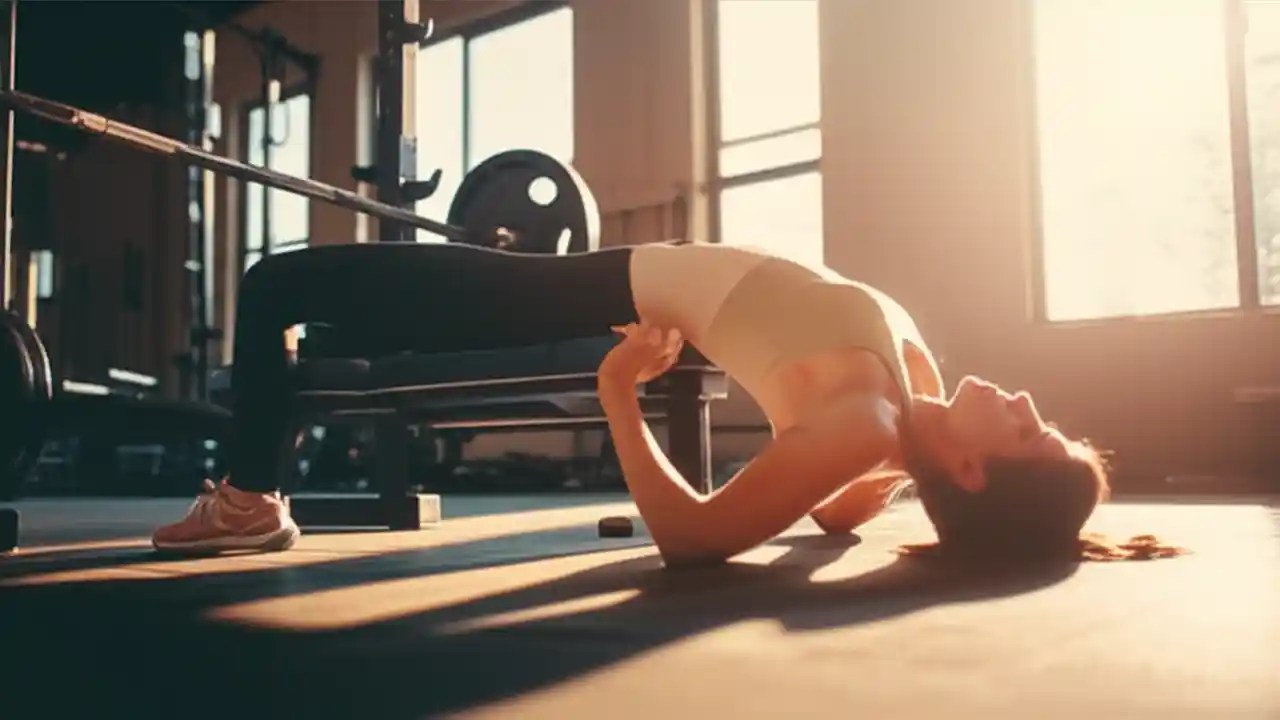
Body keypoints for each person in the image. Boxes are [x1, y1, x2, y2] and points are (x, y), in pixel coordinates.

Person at [151, 241, 1110, 563]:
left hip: (570, 294)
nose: (1026, 398)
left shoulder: (870, 423)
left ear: (974, 469)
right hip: (589, 278)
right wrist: (900, 474)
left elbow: (692, 539)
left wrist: (618, 391)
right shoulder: (903, 408)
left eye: (1028, 429)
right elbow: (830, 509)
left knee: (274, 285)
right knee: (321, 312)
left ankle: (248, 501)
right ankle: (258, 468)